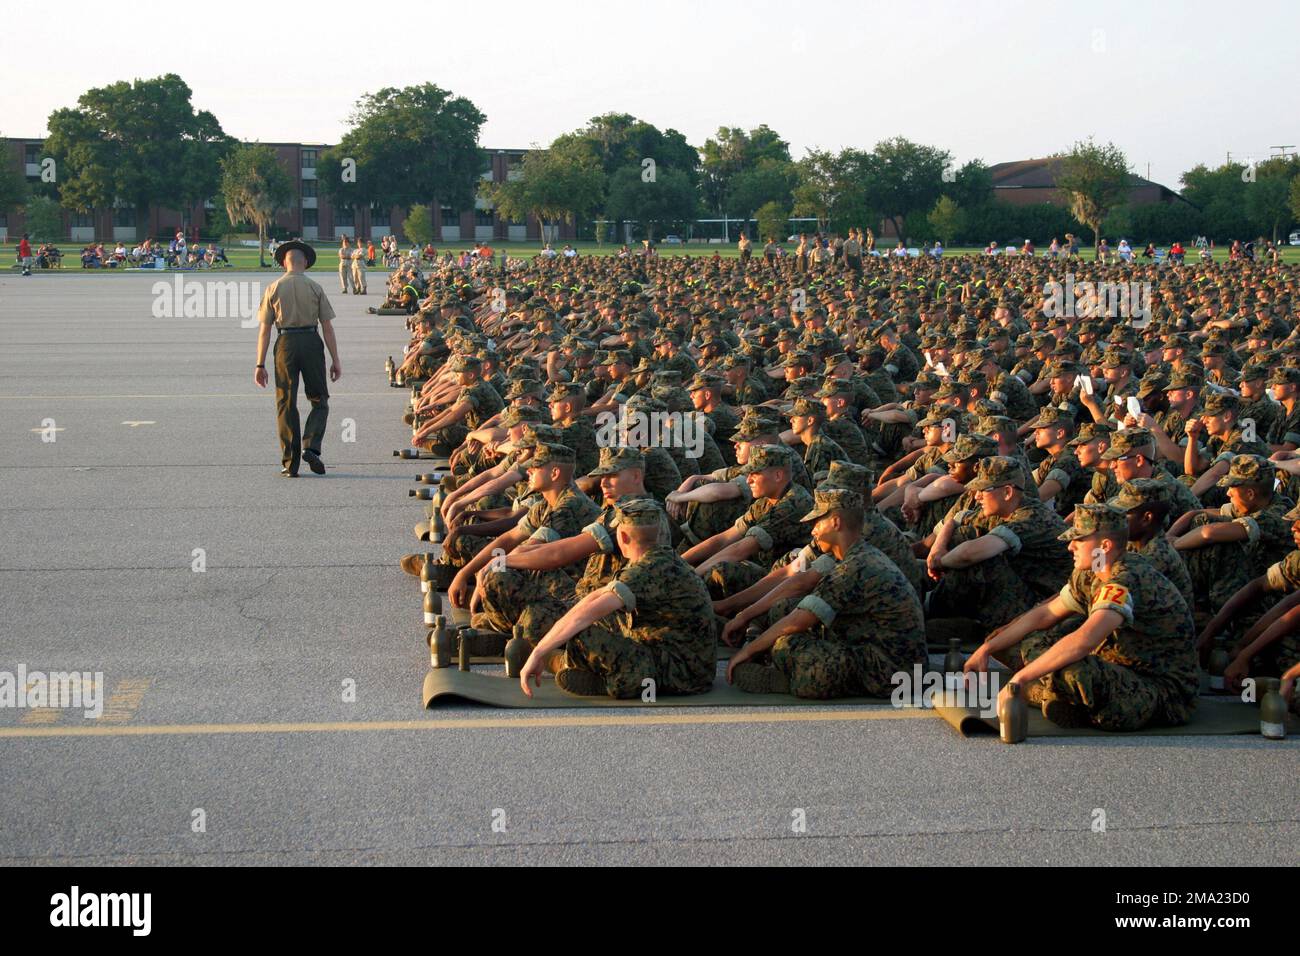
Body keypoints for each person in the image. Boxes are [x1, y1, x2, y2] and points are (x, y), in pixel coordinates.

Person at [964, 504, 1198, 731]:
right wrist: (986, 649)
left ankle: (1044, 693)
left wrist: (1020, 680)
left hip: (1159, 689)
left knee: (1075, 670)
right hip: (1115, 665)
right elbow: (1044, 614)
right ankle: (1058, 694)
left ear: (1104, 546)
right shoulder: (1092, 571)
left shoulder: (1126, 580)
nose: (1070, 547)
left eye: (1079, 540)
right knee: (1016, 639)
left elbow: (1085, 640)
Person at [518, 497, 716, 699]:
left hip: (678, 673)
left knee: (583, 633)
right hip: (682, 661)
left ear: (622, 536)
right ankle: (563, 662)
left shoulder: (646, 569)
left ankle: (597, 675)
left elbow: (587, 614)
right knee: (585, 621)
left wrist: (538, 652)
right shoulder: (659, 556)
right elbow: (593, 598)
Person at [252, 239, 340, 477]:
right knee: (319, 399)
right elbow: (328, 328)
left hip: (285, 344)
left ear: (284, 263)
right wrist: (335, 360)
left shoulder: (273, 288)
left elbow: (264, 330)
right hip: (311, 341)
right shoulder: (315, 287)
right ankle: (311, 446)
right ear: (305, 264)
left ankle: (290, 463)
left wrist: (260, 364)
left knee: (286, 402)